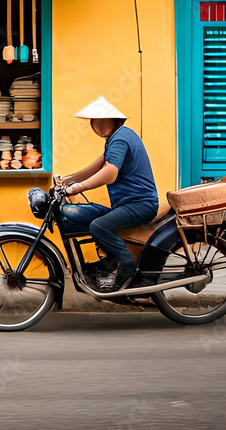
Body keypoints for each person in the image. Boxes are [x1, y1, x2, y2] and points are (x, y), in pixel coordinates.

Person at [58, 96, 158, 291]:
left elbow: (110, 172)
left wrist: (79, 187)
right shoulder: (117, 137)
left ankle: (128, 268)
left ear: (108, 121)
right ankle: (108, 265)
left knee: (98, 226)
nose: (94, 125)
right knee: (95, 215)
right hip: (128, 204)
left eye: (96, 121)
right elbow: (94, 168)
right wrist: (66, 181)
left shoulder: (120, 138)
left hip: (140, 205)